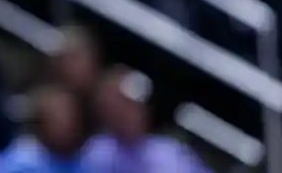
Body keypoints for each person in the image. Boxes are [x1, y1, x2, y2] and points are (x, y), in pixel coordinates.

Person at [82, 67, 210, 173]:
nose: (127, 113)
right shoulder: (98, 153)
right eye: (117, 106)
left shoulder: (171, 151)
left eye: (132, 104)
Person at [0, 86, 86, 173]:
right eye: (57, 119)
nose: (66, 125)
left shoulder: (86, 159)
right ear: (41, 123)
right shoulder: (22, 160)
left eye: (70, 117)